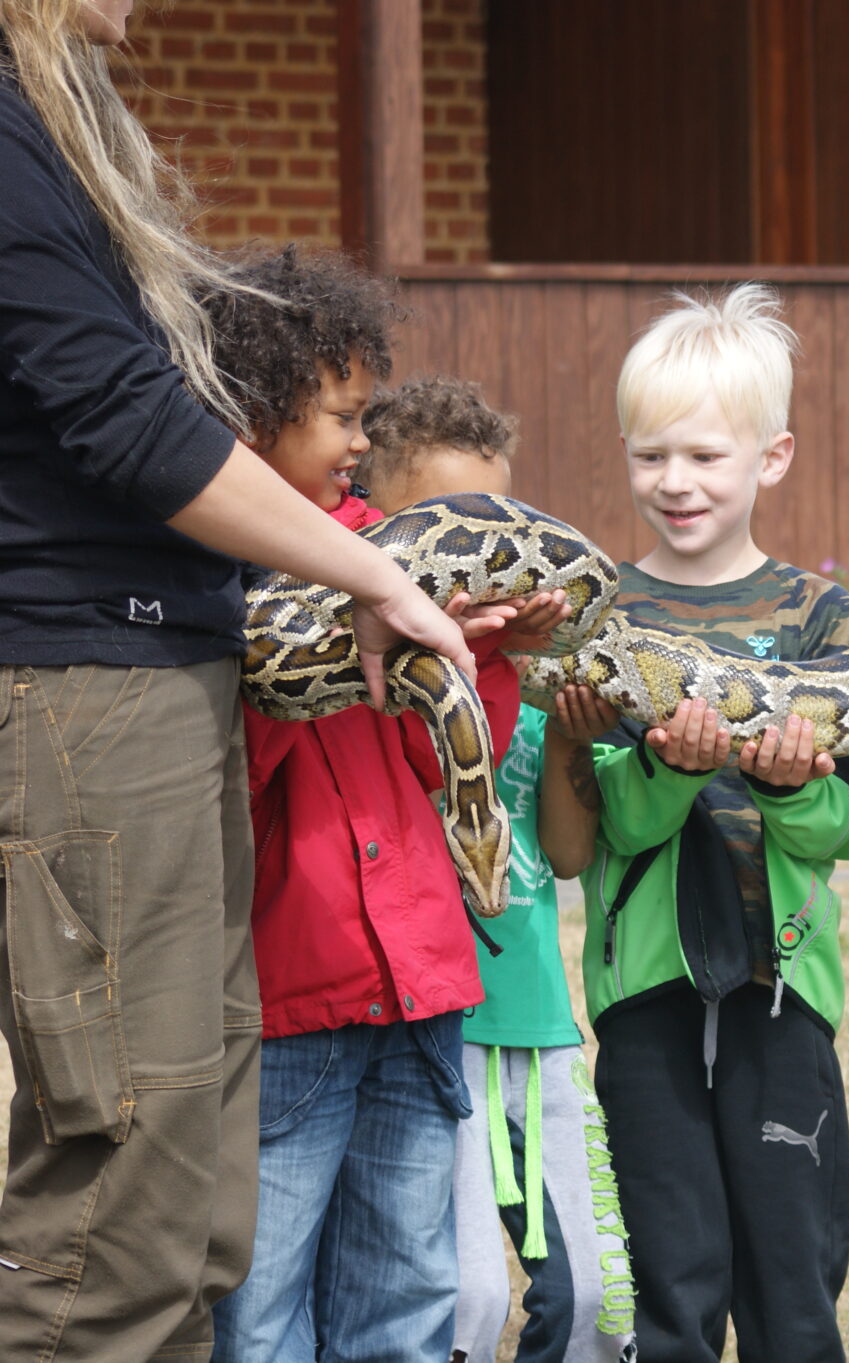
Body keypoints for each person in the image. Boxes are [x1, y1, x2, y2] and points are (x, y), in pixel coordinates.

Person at [0, 4, 473, 1356]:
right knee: (117, 1194)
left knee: (196, 1191)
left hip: (158, 663)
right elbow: (126, 420)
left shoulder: (66, 114)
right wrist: (371, 572)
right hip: (81, 679)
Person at [198, 248, 557, 1362]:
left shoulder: (389, 552)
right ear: (253, 415)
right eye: (342, 416)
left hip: (422, 989)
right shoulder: (206, 571)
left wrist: (488, 659)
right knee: (262, 1303)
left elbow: (456, 758)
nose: (364, 439)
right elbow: (220, 783)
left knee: (406, 1286)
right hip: (292, 1003)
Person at [537, 284, 849, 1363]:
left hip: (782, 990)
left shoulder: (819, 619)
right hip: (645, 995)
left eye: (704, 457)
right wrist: (672, 770)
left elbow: (834, 833)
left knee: (791, 1275)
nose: (673, 481)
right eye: (650, 456)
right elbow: (608, 833)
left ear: (769, 459)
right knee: (674, 1281)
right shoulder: (603, 616)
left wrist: (777, 785)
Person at [356, 375, 638, 1363]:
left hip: (539, 1020)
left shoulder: (526, 669)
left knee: (606, 1303)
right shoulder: (370, 689)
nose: (482, 556)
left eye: (498, 527)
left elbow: (561, 853)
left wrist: (567, 737)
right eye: (446, 528)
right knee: (464, 1304)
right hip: (436, 1037)